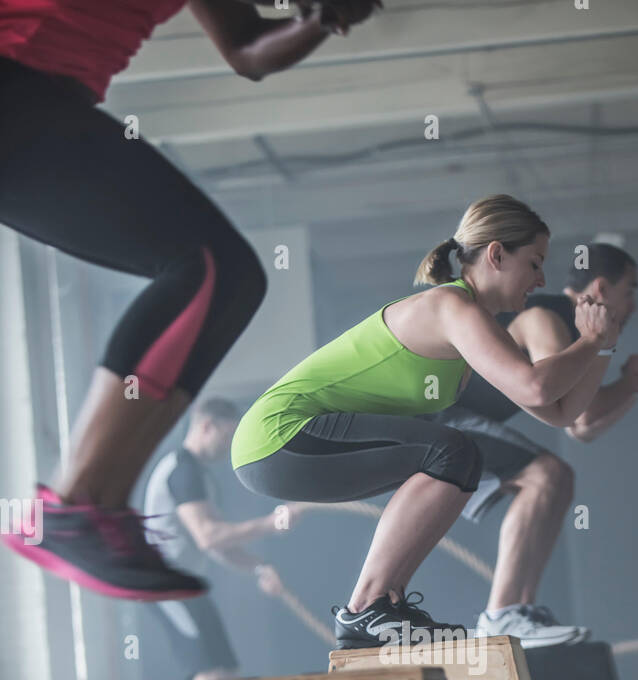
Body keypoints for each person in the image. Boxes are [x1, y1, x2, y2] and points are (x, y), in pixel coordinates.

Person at [0, 0, 381, 601]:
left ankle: (96, 510)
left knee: (229, 279)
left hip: (44, 101)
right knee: (203, 266)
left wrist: (322, 18)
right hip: (17, 84)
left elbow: (247, 49)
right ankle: (74, 508)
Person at [231, 194, 619, 649]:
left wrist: (603, 348)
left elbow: (559, 412)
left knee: (455, 456)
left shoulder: (478, 329)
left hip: (287, 450)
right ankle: (367, 609)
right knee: (452, 451)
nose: (541, 279)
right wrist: (588, 342)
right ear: (496, 254)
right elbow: (536, 387)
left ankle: (380, 613)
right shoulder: (451, 308)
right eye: (534, 263)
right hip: (281, 435)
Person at [431, 241, 638, 646]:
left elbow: (581, 430)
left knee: (557, 479)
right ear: (603, 289)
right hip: (438, 420)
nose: (634, 306)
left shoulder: (576, 336)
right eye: (631, 291)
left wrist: (632, 390)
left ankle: (518, 611)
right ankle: (502, 614)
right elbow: (578, 411)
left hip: (461, 424)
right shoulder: (547, 316)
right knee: (547, 476)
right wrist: (628, 382)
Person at [142, 398, 300, 680]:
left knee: (227, 670)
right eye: (227, 437)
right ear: (207, 426)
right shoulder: (183, 470)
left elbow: (218, 546)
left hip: (187, 585)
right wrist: (271, 523)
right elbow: (208, 537)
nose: (229, 448)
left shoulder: (201, 476)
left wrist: (259, 567)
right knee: (210, 673)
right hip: (165, 585)